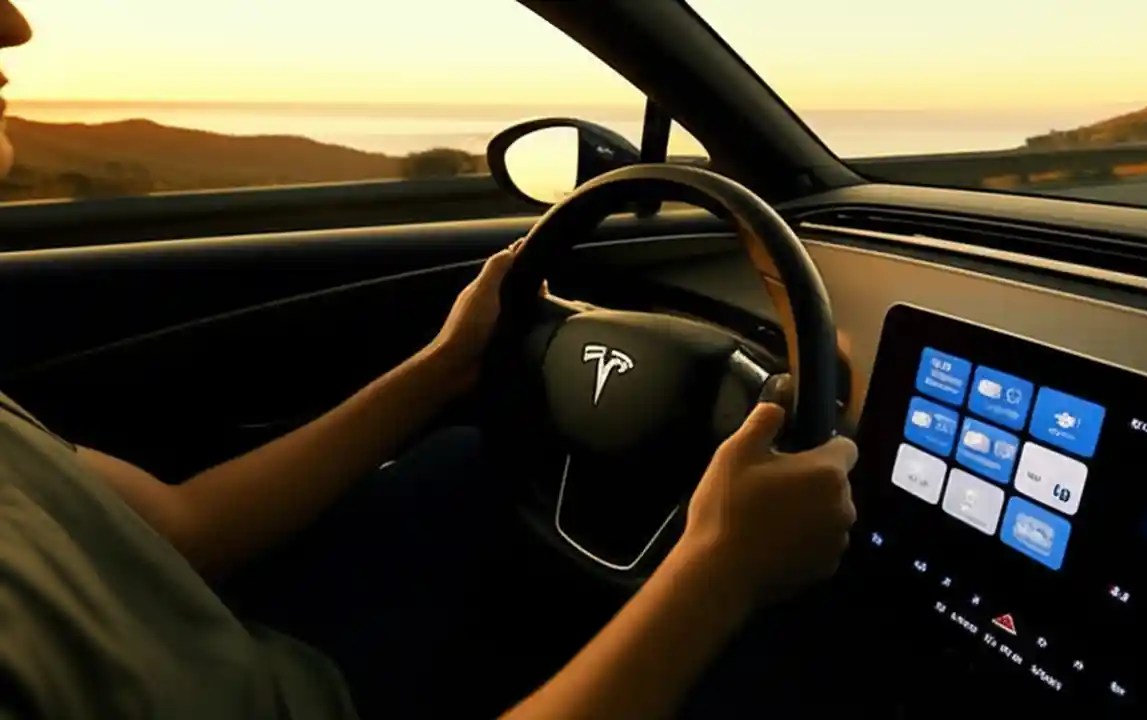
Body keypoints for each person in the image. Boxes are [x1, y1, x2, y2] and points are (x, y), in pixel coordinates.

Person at [0, 2, 859, 718]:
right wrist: (721, 574)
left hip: (239, 660)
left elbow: (181, 531)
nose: (14, 25)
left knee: (465, 467)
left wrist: (445, 367)